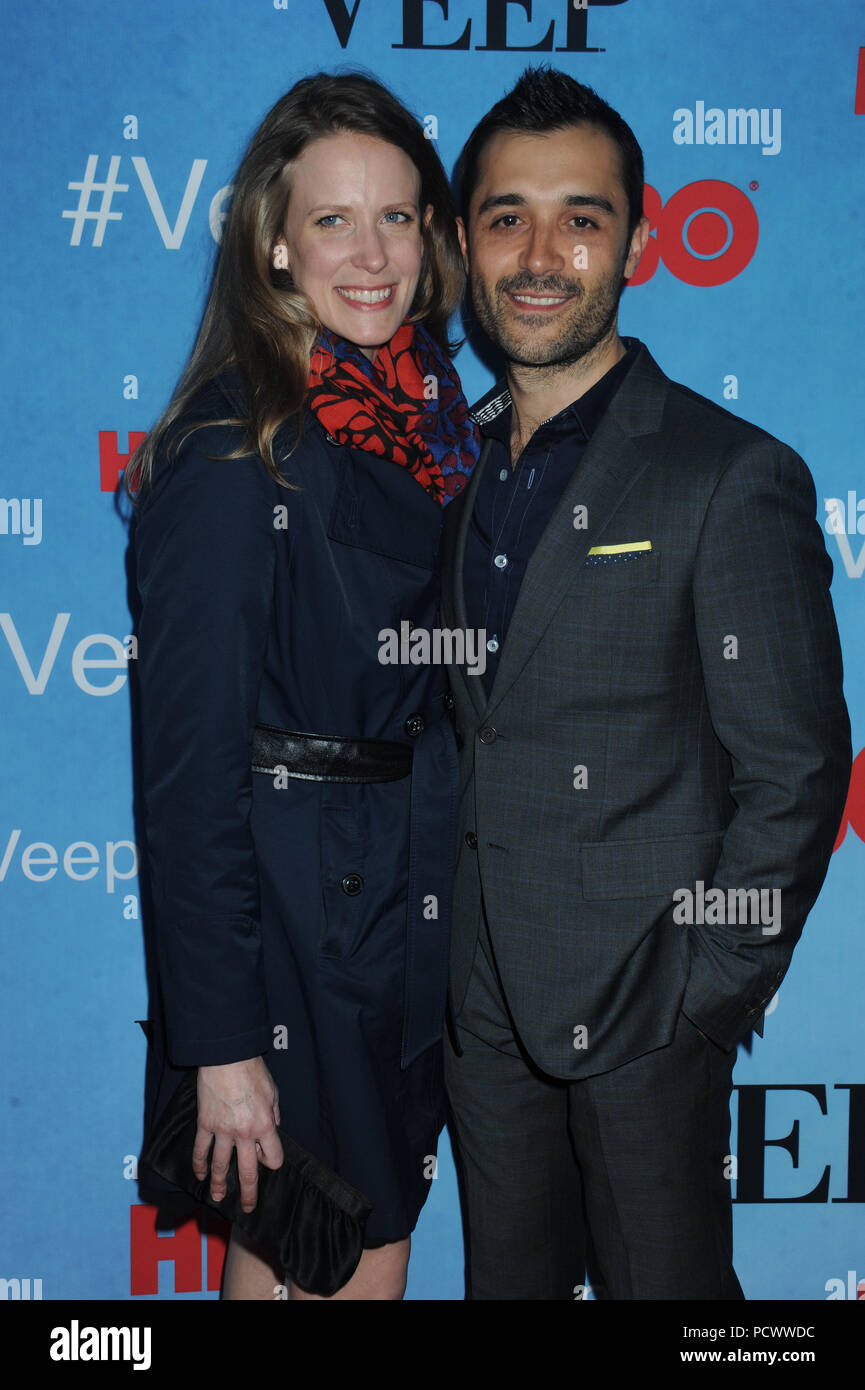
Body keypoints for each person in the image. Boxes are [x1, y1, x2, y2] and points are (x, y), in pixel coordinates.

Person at [441, 66, 852, 1300]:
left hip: (648, 1012)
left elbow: (794, 770)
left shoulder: (728, 474)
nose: (540, 253)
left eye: (582, 216)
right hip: (481, 1008)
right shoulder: (449, 469)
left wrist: (702, 997)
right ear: (464, 243)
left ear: (640, 238)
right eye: (507, 216)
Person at [129, 71, 478, 1301]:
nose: (372, 253)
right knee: (339, 1243)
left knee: (339, 1243)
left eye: (398, 216)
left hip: (401, 895)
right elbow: (187, 773)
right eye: (334, 219)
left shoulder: (438, 426)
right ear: (274, 240)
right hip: (294, 916)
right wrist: (221, 1043)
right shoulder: (236, 450)